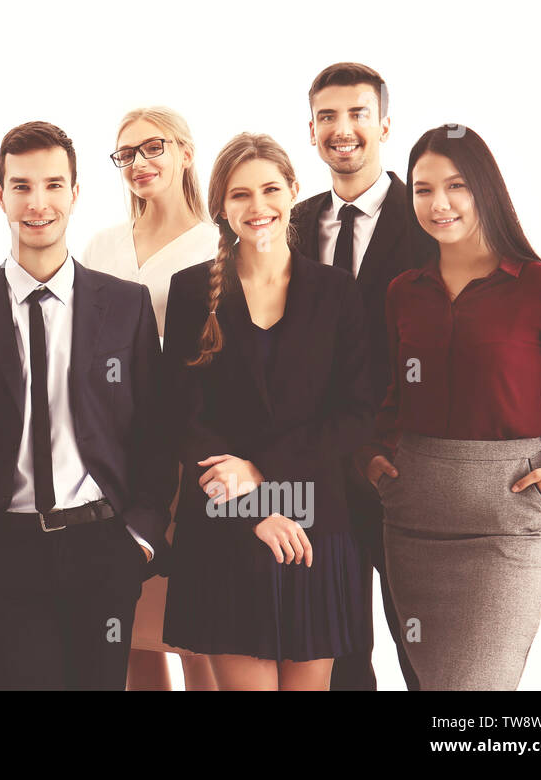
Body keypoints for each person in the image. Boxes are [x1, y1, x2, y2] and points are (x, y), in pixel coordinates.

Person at [362, 125, 541, 690]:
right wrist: (375, 456)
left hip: (507, 522)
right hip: (414, 518)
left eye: (456, 186)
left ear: (486, 190)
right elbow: (394, 394)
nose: (439, 203)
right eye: (423, 190)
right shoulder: (405, 290)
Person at [0, 121, 172, 690]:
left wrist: (140, 537)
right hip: (1, 549)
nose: (38, 203)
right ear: (0, 194)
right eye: (22, 186)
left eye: (54, 185)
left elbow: (153, 433)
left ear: (75, 193)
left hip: (102, 547)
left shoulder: (125, 305)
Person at [161, 133, 373, 690]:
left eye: (271, 189)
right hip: (228, 528)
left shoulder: (337, 292)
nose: (258, 207)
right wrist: (252, 506)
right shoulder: (189, 293)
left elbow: (355, 413)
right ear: (221, 209)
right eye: (240, 195)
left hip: (313, 526)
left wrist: (261, 470)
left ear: (293, 191)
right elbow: (184, 418)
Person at [287, 62, 427, 691]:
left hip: (406, 469)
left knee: (422, 644)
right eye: (327, 117)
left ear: (385, 125)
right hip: (318, 474)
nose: (342, 130)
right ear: (311, 129)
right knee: (338, 655)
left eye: (357, 114)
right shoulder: (289, 223)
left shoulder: (429, 220)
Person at [83, 106, 219, 692]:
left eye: (153, 148)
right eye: (126, 154)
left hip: (188, 449)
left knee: (192, 626)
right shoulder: (103, 244)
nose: (139, 163)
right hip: (111, 451)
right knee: (128, 625)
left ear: (186, 152)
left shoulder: (219, 241)